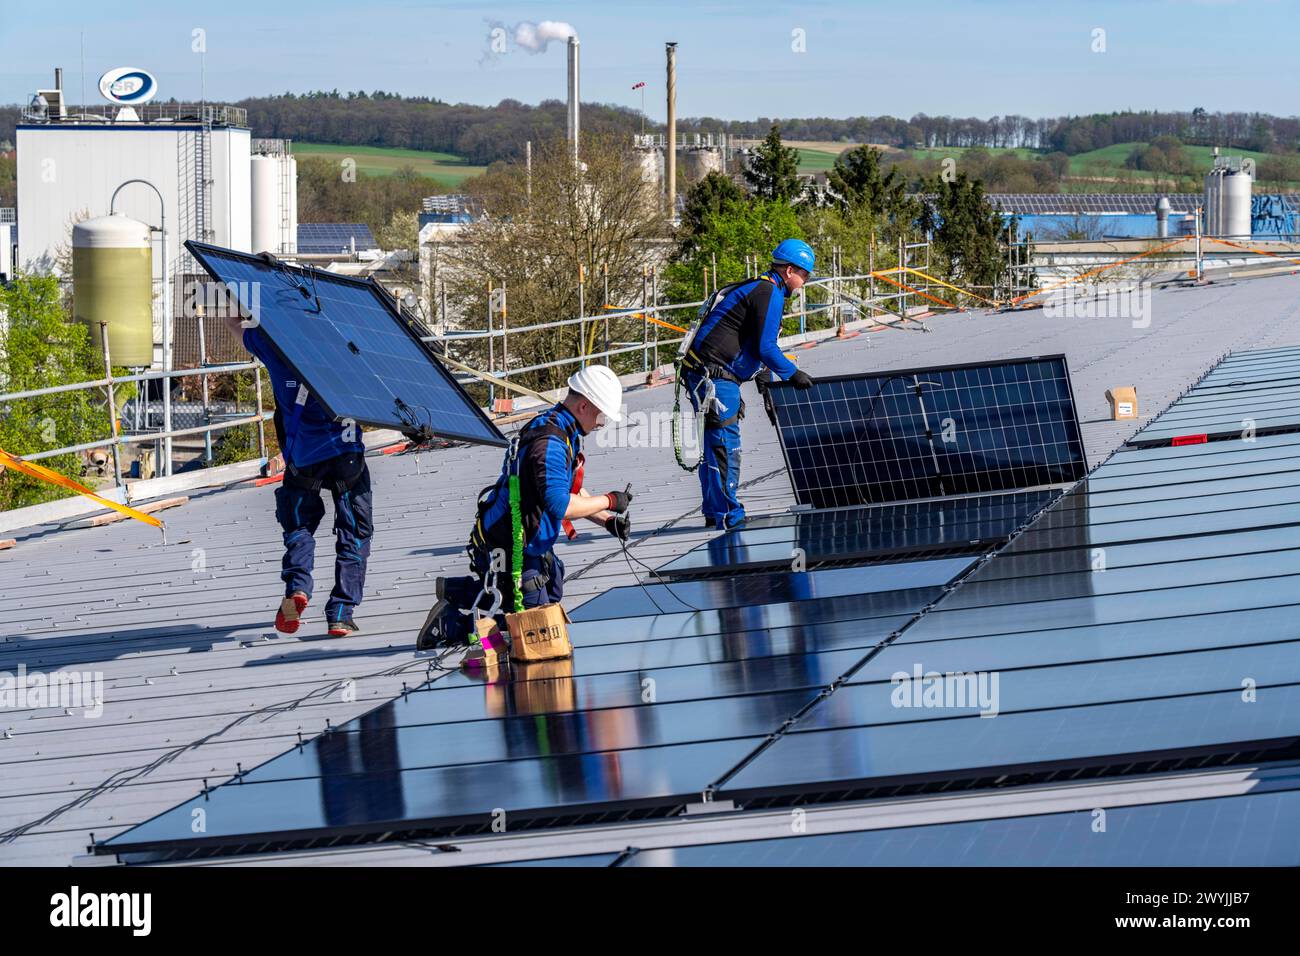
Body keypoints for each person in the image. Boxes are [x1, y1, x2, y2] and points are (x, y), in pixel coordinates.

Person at [419, 365, 632, 649]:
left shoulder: (561, 428)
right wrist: (610, 500)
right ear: (583, 405)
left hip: (527, 541)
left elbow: (566, 489)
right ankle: (451, 625)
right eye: (600, 415)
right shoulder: (550, 444)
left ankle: (458, 590)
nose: (600, 423)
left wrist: (606, 519)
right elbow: (561, 504)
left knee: (552, 586)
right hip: (507, 543)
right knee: (533, 629)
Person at [224, 313, 371, 638]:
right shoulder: (351, 350)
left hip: (303, 459)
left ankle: (297, 589)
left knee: (299, 528)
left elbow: (234, 324)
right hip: (347, 457)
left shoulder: (278, 350)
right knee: (355, 534)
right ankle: (341, 614)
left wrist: (240, 296)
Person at [681, 238, 816, 530]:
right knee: (726, 445)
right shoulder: (769, 292)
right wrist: (793, 374)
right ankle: (729, 513)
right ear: (790, 270)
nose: (805, 281)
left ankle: (714, 508)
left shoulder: (762, 288)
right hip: (714, 375)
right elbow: (767, 347)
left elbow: (754, 344)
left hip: (708, 373)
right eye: (805, 274)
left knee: (715, 442)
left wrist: (764, 381)